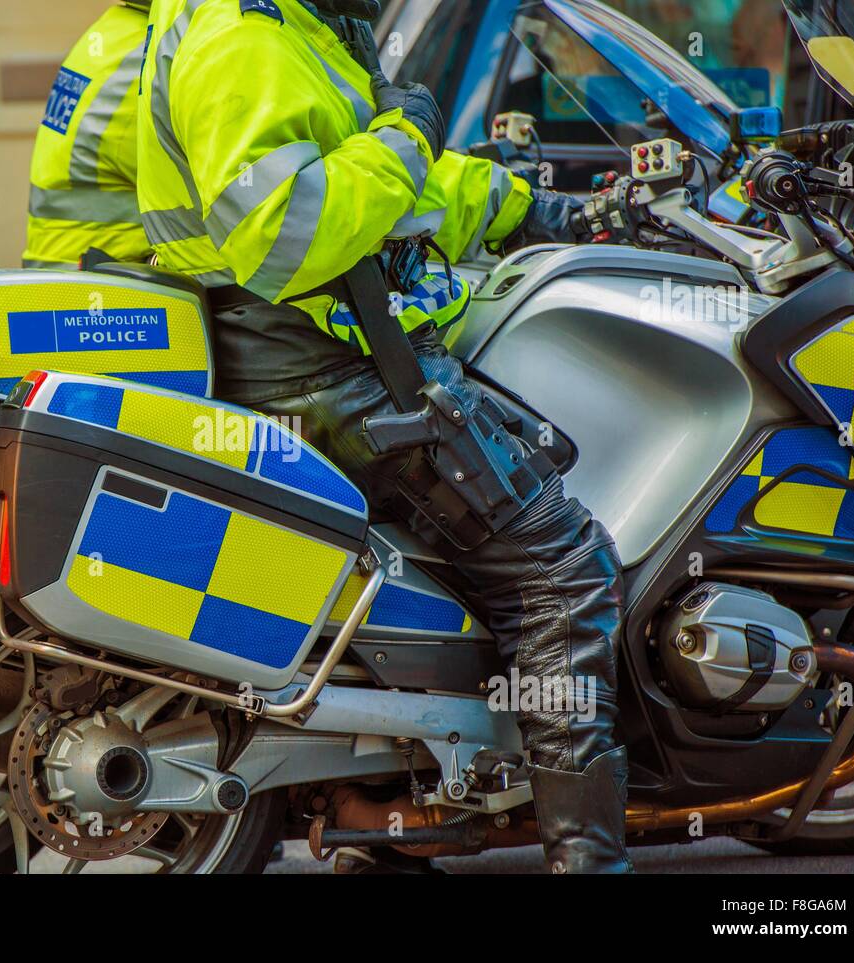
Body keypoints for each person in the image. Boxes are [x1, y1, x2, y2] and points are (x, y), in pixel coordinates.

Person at [136, 0, 632, 873]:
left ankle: (389, 836)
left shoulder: (292, 31)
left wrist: (526, 207)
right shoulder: (248, 36)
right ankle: (589, 861)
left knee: (444, 566)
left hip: (324, 356)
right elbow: (293, 231)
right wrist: (405, 133)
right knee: (558, 565)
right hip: (331, 372)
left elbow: (386, 196)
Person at [22, 1, 155, 268]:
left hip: (61, 266)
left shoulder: (114, 31)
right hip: (107, 280)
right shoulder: (151, 52)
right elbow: (189, 183)